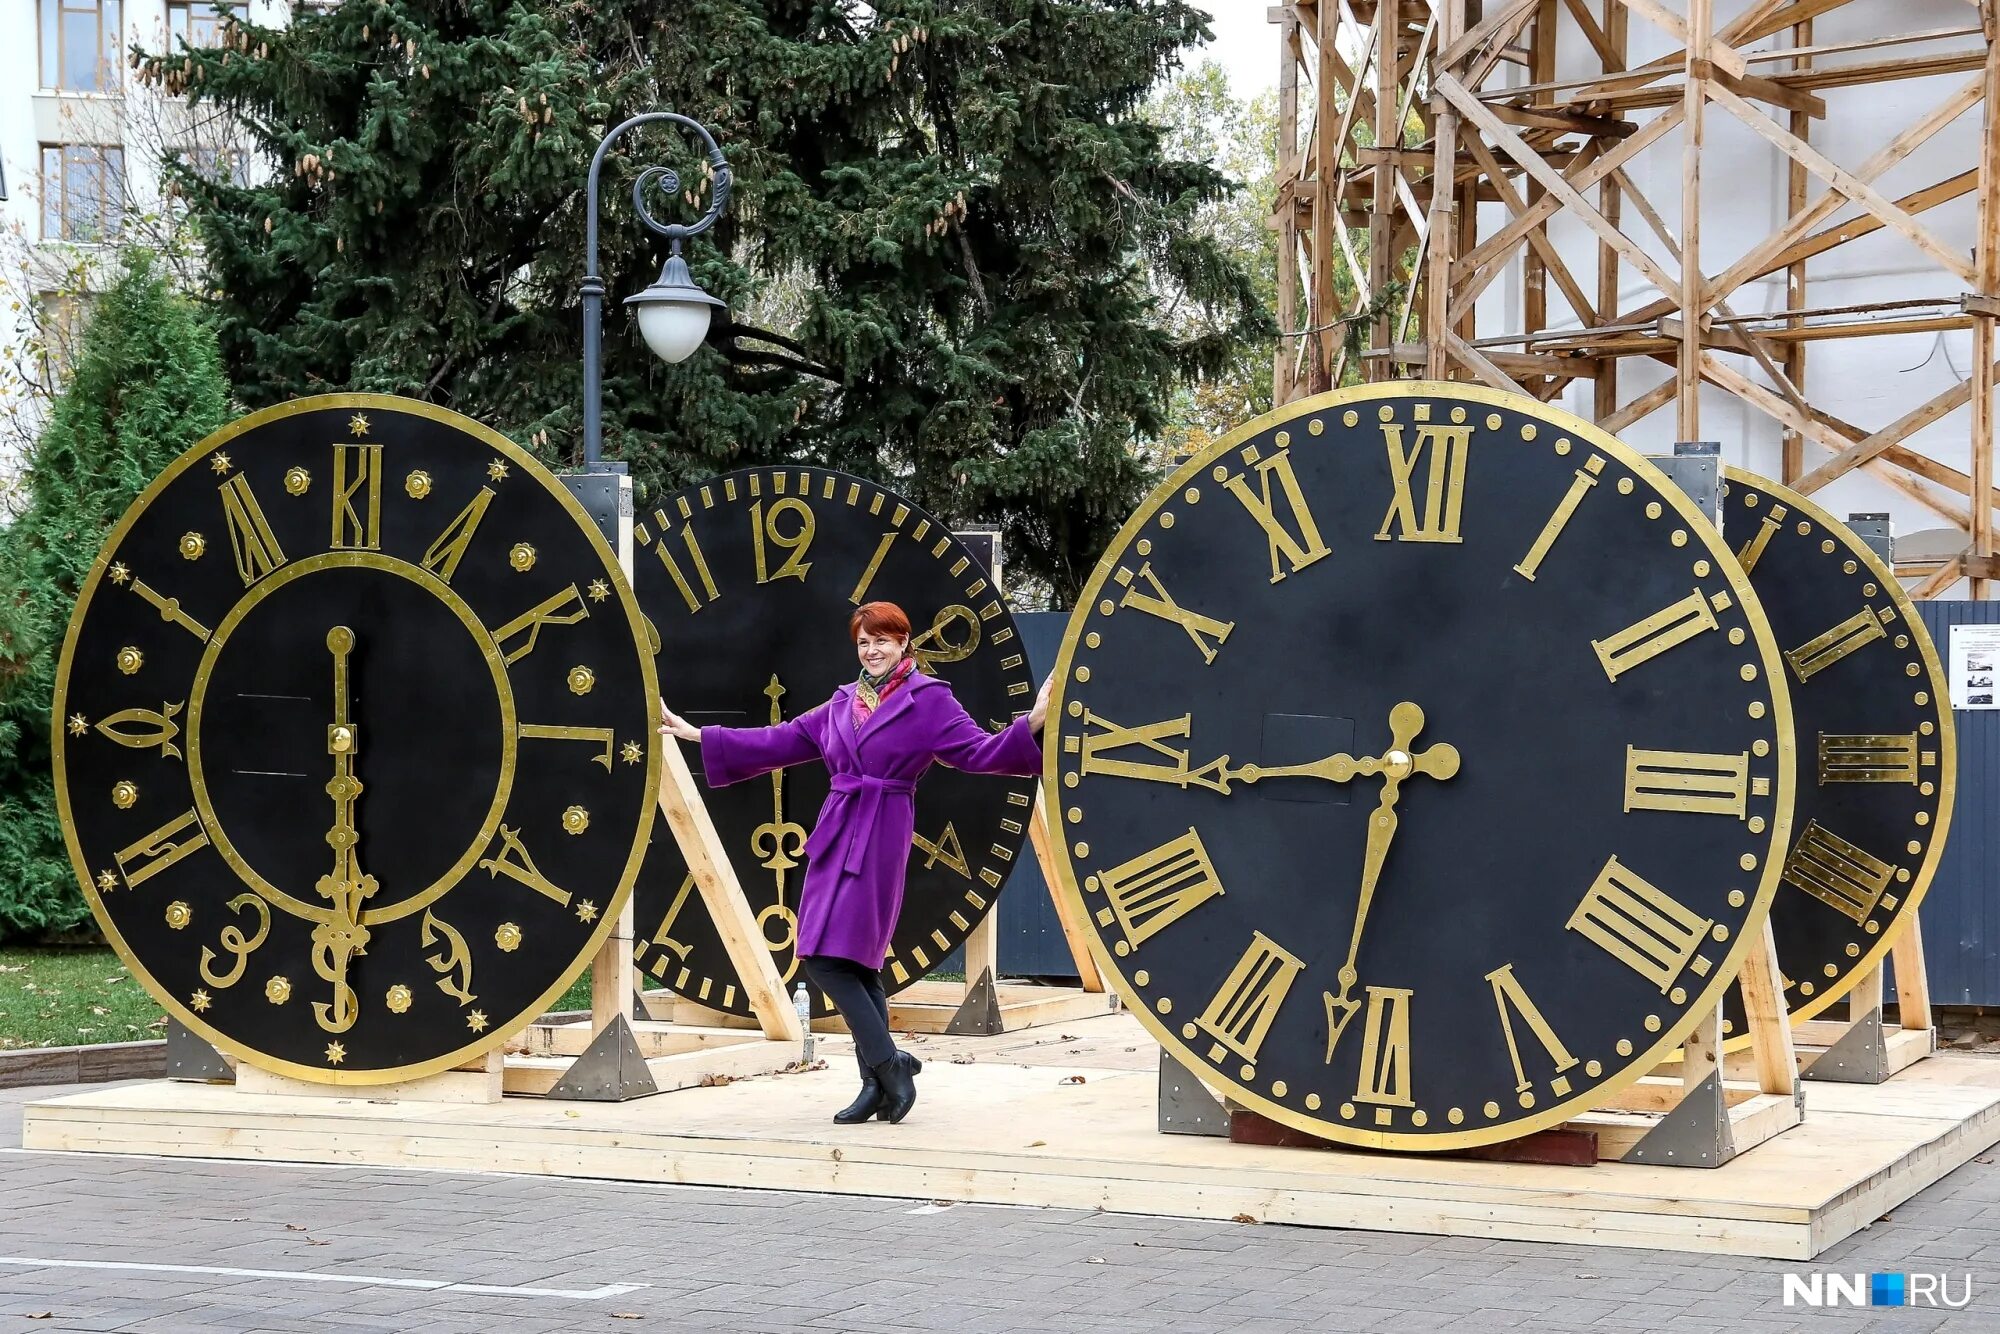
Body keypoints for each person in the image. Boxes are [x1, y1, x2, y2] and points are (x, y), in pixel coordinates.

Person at [659, 600, 1052, 1124]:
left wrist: (1036, 720)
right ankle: (879, 1083)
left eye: (882, 640)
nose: (871, 651)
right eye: (864, 642)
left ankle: (890, 1065)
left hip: (882, 831)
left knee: (833, 958)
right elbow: (781, 741)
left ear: (904, 642)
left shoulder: (930, 701)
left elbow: (980, 752)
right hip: (835, 830)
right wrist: (698, 734)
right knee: (847, 961)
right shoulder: (842, 702)